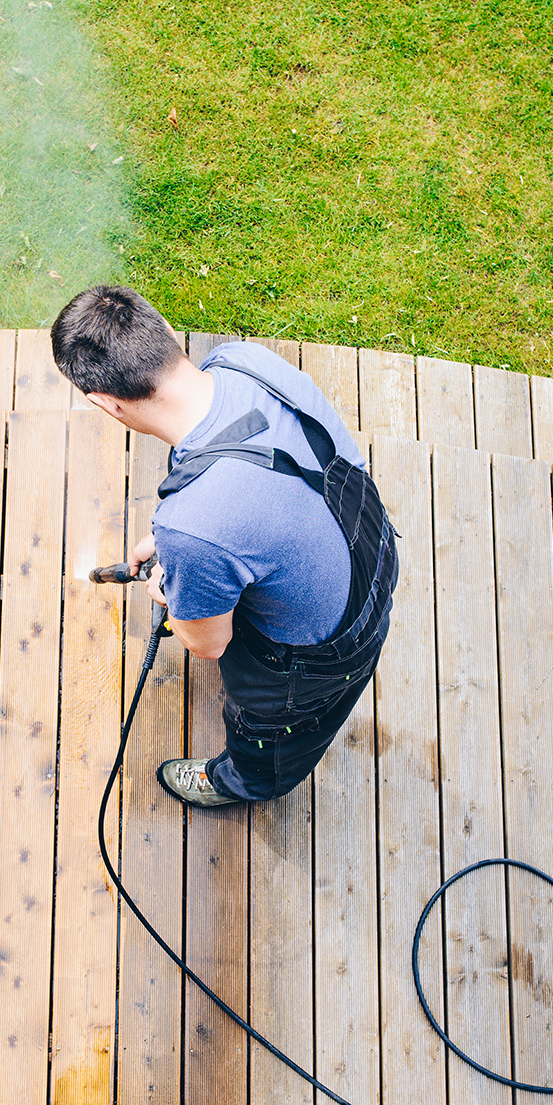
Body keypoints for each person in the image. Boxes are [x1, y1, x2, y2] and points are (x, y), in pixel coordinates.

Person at [51, 284, 398, 806]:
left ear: (105, 404)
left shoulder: (193, 527)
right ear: (165, 328)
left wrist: (178, 580)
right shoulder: (244, 362)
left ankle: (245, 782)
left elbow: (207, 644)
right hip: (369, 549)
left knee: (272, 732)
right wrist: (189, 542)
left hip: (322, 655)